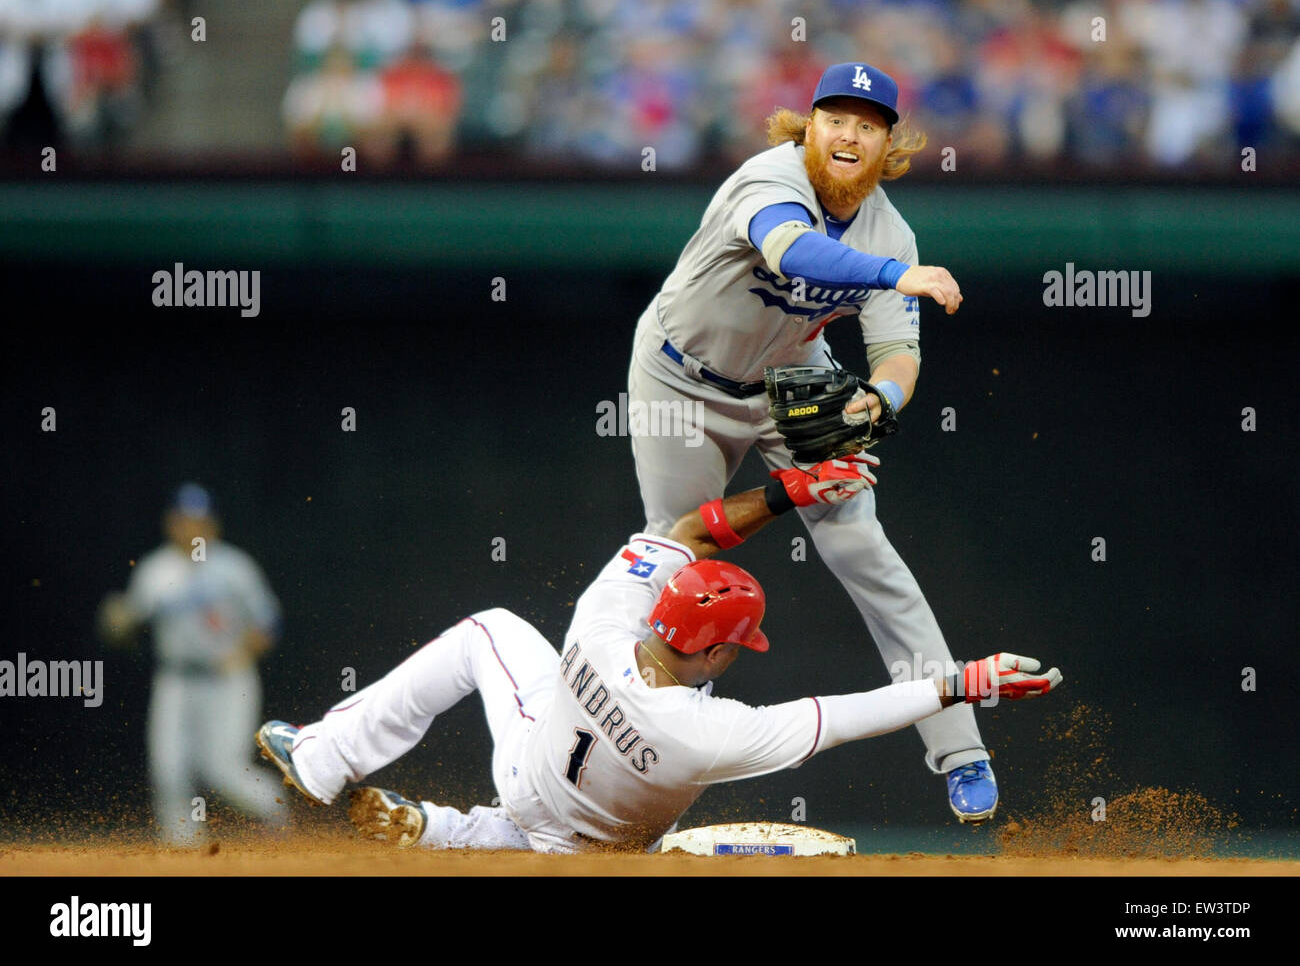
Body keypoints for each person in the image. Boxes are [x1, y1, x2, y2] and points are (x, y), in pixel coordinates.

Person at [256, 463, 1060, 853]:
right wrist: (966, 679)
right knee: (550, 840)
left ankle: (332, 765)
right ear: (713, 649)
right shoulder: (706, 734)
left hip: (528, 766)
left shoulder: (602, 620)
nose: (740, 656)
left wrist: (790, 488)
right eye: (738, 645)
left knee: (487, 630)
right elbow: (848, 718)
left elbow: (689, 534)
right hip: (594, 850)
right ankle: (436, 830)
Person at [625, 61, 999, 821]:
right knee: (674, 560)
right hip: (680, 381)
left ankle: (961, 750)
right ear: (809, 126)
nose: (848, 134)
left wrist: (879, 398)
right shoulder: (769, 178)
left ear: (888, 144)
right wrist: (900, 274)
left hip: (786, 390)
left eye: (867, 124)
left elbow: (900, 354)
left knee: (864, 548)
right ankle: (633, 756)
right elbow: (791, 250)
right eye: (835, 118)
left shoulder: (890, 228)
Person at [98, 482, 287, 845]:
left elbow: (268, 624)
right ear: (171, 522)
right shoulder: (155, 570)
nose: (191, 527)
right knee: (168, 768)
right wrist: (118, 623)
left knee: (222, 771)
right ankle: (181, 850)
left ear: (213, 524)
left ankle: (272, 808)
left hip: (228, 680)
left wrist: (242, 652)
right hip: (176, 679)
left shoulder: (234, 567)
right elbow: (129, 627)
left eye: (198, 520)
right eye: (183, 519)